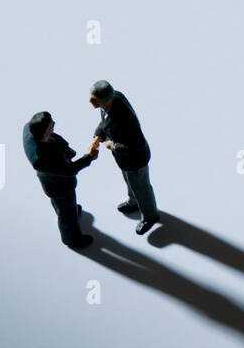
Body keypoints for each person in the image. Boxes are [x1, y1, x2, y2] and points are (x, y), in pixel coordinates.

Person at [89, 80, 159, 235]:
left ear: (106, 100)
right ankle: (134, 202)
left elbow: (135, 145)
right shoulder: (111, 101)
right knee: (130, 182)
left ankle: (150, 215)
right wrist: (98, 136)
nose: (90, 102)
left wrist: (111, 145)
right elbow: (104, 122)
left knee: (142, 188)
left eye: (95, 100)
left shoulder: (124, 117)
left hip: (135, 158)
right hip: (124, 160)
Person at [22, 111, 98, 249]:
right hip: (59, 186)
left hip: (53, 184)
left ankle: (70, 211)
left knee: (63, 205)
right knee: (66, 212)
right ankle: (71, 239)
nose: (53, 127)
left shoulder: (30, 129)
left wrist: (67, 151)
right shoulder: (42, 158)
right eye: (51, 126)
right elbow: (68, 170)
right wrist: (89, 157)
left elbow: (55, 144)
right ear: (43, 132)